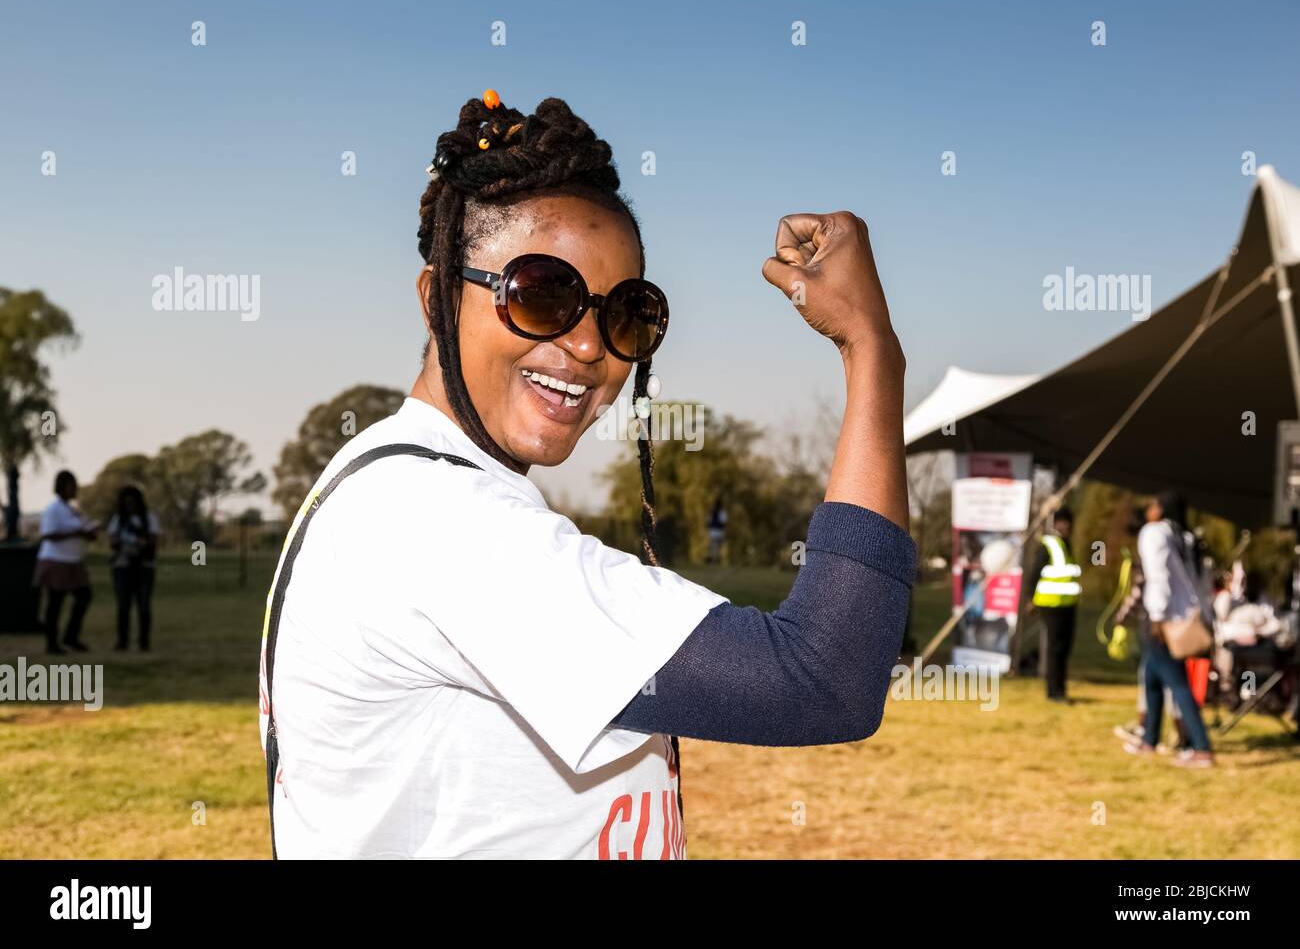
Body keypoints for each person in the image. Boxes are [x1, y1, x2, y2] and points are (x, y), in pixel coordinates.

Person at [258, 91, 914, 859]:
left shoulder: (422, 487)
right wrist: (871, 348)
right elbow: (825, 674)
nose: (587, 348)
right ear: (438, 298)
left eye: (623, 313)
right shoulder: (425, 518)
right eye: (542, 295)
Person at [1128, 491, 1214, 768]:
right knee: (1152, 676)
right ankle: (1149, 740)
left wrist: (1156, 616)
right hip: (1185, 614)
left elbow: (1158, 575)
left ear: (1161, 509)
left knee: (1177, 683)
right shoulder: (1183, 536)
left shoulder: (1154, 533)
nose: (1147, 509)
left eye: (1152, 504)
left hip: (1166, 618)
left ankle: (1201, 747)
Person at [33, 470, 97, 654]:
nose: (75, 489)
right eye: (72, 485)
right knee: (55, 602)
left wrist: (89, 532)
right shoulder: (53, 509)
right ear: (62, 487)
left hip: (73, 561)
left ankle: (71, 636)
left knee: (84, 596)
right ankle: (51, 643)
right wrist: (76, 533)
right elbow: (48, 534)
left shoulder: (73, 510)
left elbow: (85, 529)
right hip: (56, 560)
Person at [1028, 506, 1080, 702]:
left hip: (1068, 603)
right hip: (1051, 604)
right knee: (1055, 648)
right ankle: (1054, 691)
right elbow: (1035, 574)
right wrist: (1031, 599)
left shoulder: (1067, 544)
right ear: (1056, 524)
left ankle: (1060, 688)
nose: (1066, 526)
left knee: (1064, 648)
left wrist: (1098, 547)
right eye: (1062, 522)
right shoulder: (1049, 544)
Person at [106, 485, 159, 651]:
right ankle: (123, 641)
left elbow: (153, 540)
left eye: (133, 502)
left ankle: (144, 641)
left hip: (144, 567)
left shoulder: (149, 518)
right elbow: (113, 541)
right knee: (123, 606)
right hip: (123, 566)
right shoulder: (118, 520)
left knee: (143, 605)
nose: (130, 506)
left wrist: (140, 544)